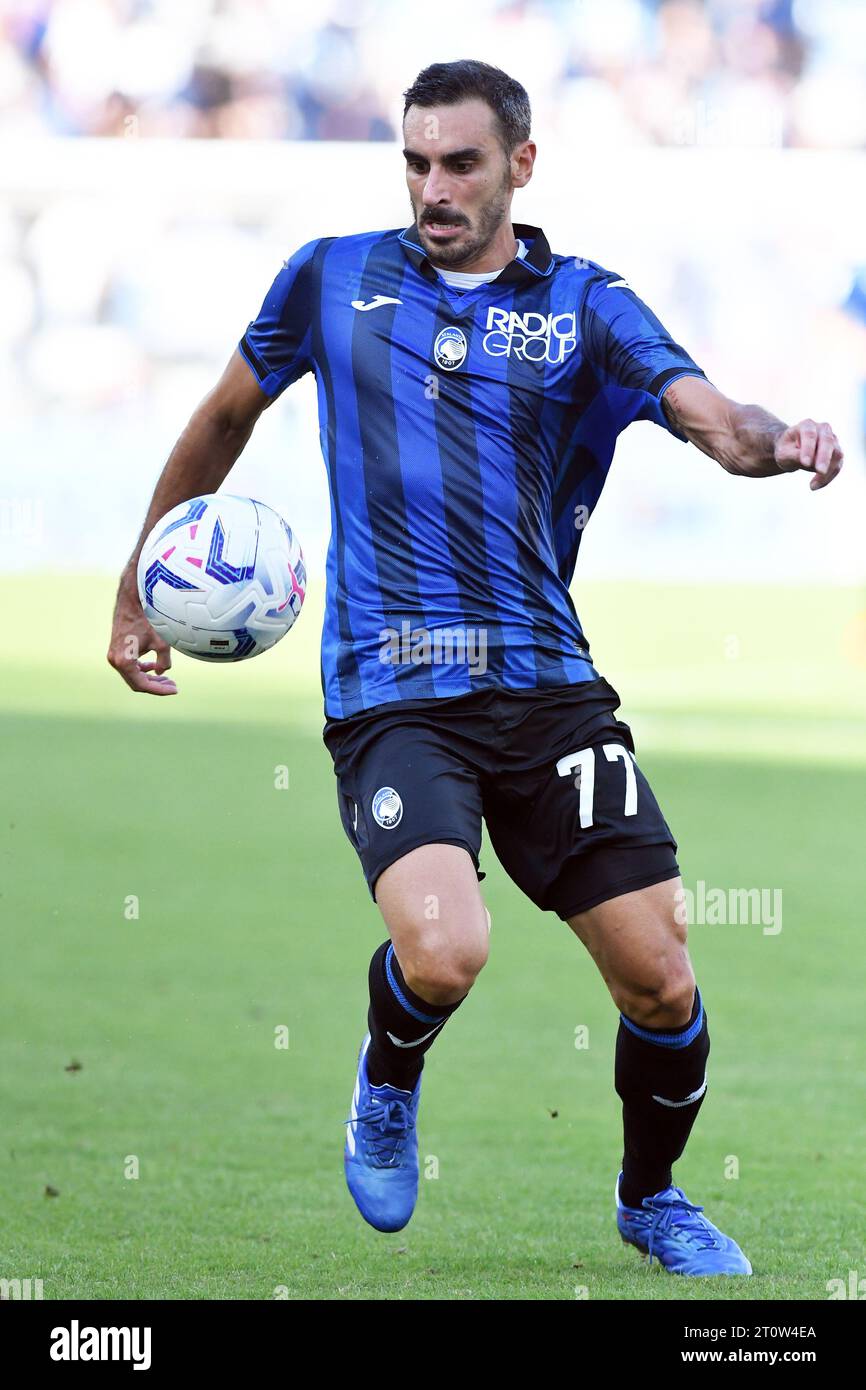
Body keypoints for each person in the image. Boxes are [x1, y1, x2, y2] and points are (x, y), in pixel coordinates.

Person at [108, 60, 843, 1277]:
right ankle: (386, 1085)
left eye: (458, 163)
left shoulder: (585, 309)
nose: (432, 186)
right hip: (395, 689)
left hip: (548, 688)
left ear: (520, 164)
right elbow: (226, 414)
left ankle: (648, 1198)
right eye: (413, 161)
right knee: (446, 948)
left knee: (661, 978)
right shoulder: (331, 276)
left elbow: (713, 419)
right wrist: (138, 573)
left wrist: (783, 442)